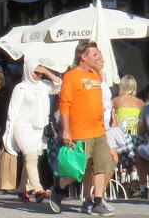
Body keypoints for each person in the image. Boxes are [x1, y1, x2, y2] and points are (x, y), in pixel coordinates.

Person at [48, 40, 113, 216]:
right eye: (95, 55)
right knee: (77, 169)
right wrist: (67, 130)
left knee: (101, 166)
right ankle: (59, 189)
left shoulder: (96, 76)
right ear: (82, 57)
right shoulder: (71, 76)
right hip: (80, 131)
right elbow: (65, 105)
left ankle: (97, 201)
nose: (99, 57)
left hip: (98, 130)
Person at [6, 57, 60, 202]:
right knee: (31, 157)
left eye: (39, 72)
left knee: (30, 158)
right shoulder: (21, 87)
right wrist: (9, 129)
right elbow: (12, 110)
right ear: (28, 71)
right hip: (21, 126)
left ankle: (22, 189)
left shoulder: (43, 86)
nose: (38, 75)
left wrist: (47, 72)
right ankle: (38, 189)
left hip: (38, 127)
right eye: (36, 72)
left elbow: (59, 86)